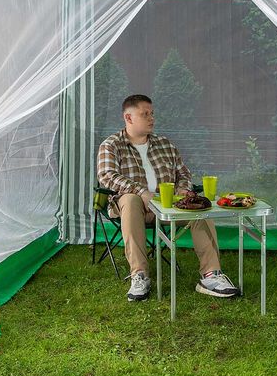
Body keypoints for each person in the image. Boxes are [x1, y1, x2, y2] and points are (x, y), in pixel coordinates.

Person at [97, 94, 239, 302]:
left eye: (152, 113)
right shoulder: (111, 145)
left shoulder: (165, 144)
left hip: (169, 206)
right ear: (128, 117)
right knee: (130, 199)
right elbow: (107, 175)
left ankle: (211, 276)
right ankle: (140, 276)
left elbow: (183, 173)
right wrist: (141, 192)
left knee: (200, 208)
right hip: (133, 208)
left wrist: (183, 189)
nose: (151, 118)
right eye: (145, 114)